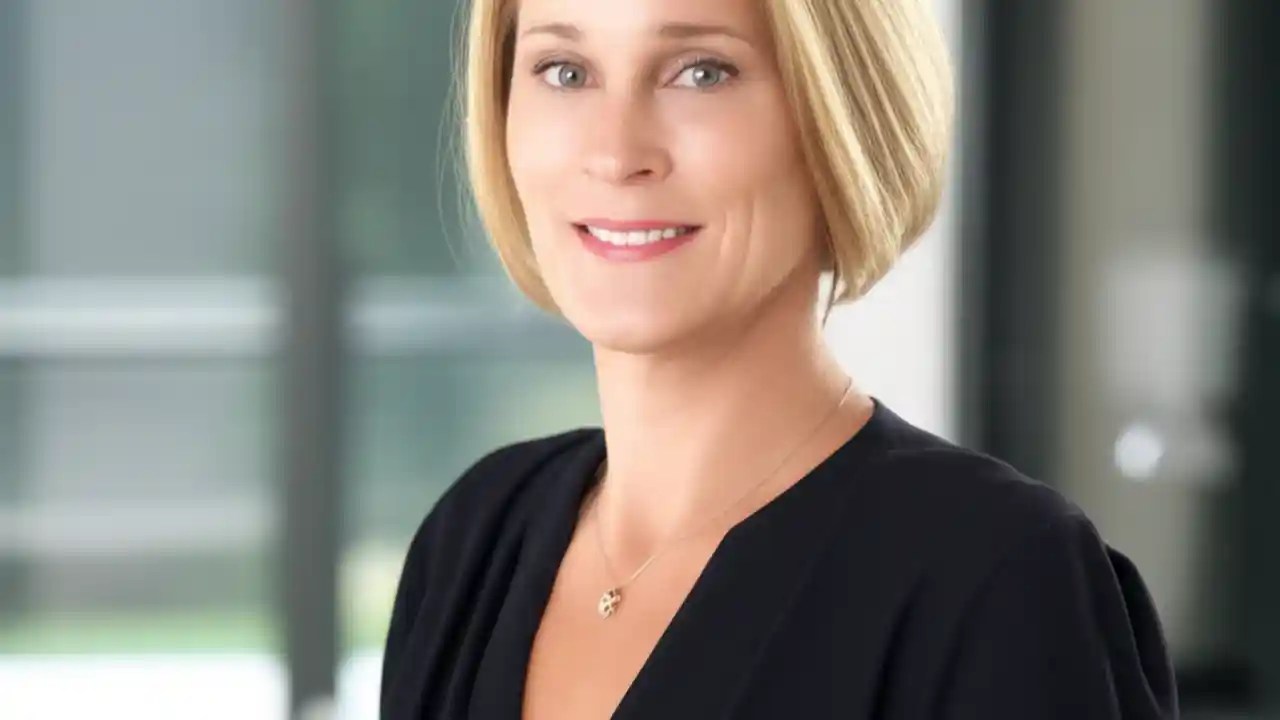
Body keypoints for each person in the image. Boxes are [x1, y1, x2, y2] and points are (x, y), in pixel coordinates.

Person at [380, 0, 1180, 717]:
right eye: (565, 70)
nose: (616, 153)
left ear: (841, 115)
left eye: (701, 71)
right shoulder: (475, 539)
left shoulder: (996, 579)